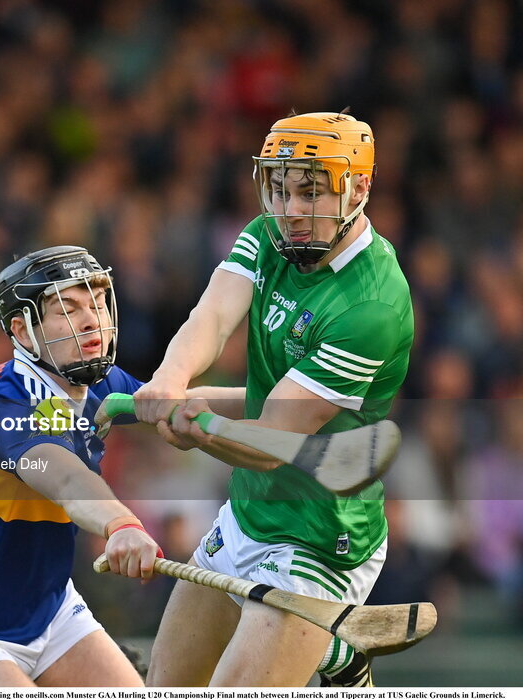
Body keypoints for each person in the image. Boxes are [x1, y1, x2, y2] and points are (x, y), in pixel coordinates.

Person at [132, 112, 413, 687]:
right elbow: (212, 315)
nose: (291, 208)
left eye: (311, 191)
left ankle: (330, 646)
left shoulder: (372, 307)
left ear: (359, 187)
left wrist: (196, 427)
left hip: (318, 541)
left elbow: (273, 442)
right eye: (281, 189)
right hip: (245, 516)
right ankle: (336, 653)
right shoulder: (269, 235)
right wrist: (172, 378)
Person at [0, 245, 161, 687]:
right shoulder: (5, 400)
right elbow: (64, 476)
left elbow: (181, 409)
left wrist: (287, 411)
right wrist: (121, 523)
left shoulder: (97, 382)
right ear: (23, 330)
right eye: (67, 308)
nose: (91, 318)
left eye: (96, 300)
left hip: (50, 612)